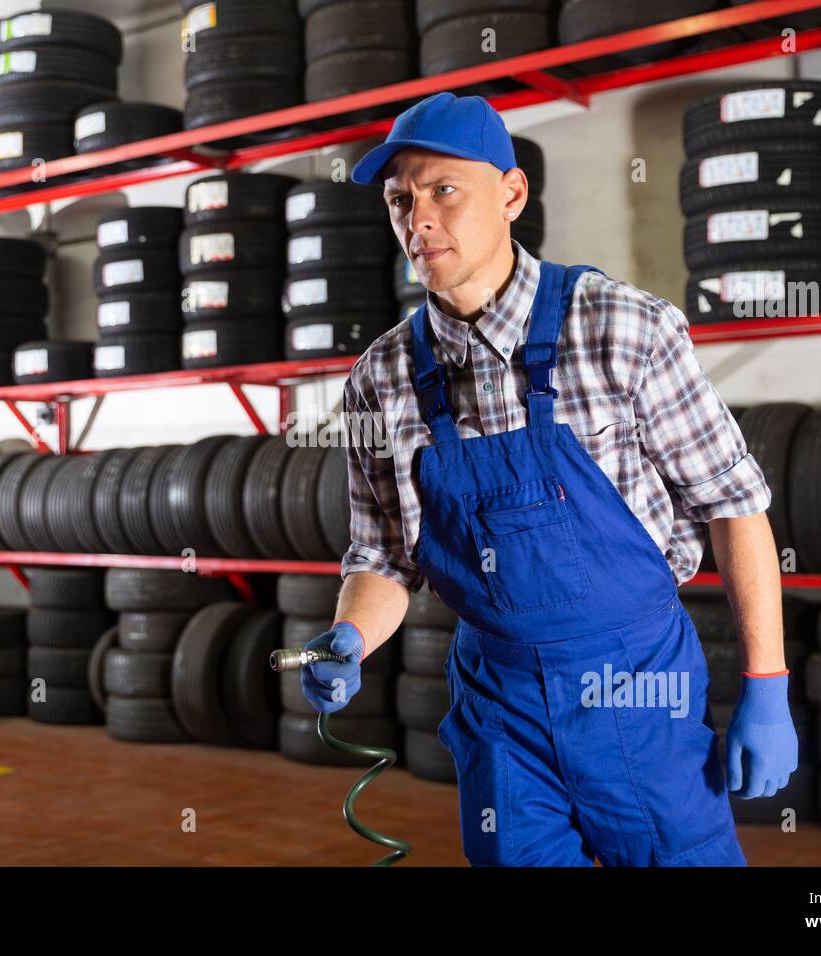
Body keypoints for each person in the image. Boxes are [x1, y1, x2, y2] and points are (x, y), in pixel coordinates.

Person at [300, 91, 796, 867]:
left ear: (512, 193)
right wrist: (350, 636)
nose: (418, 217)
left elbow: (734, 507)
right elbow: (387, 558)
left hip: (637, 694)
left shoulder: (622, 329)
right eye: (400, 198)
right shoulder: (381, 379)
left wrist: (767, 684)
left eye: (443, 190)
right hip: (500, 708)